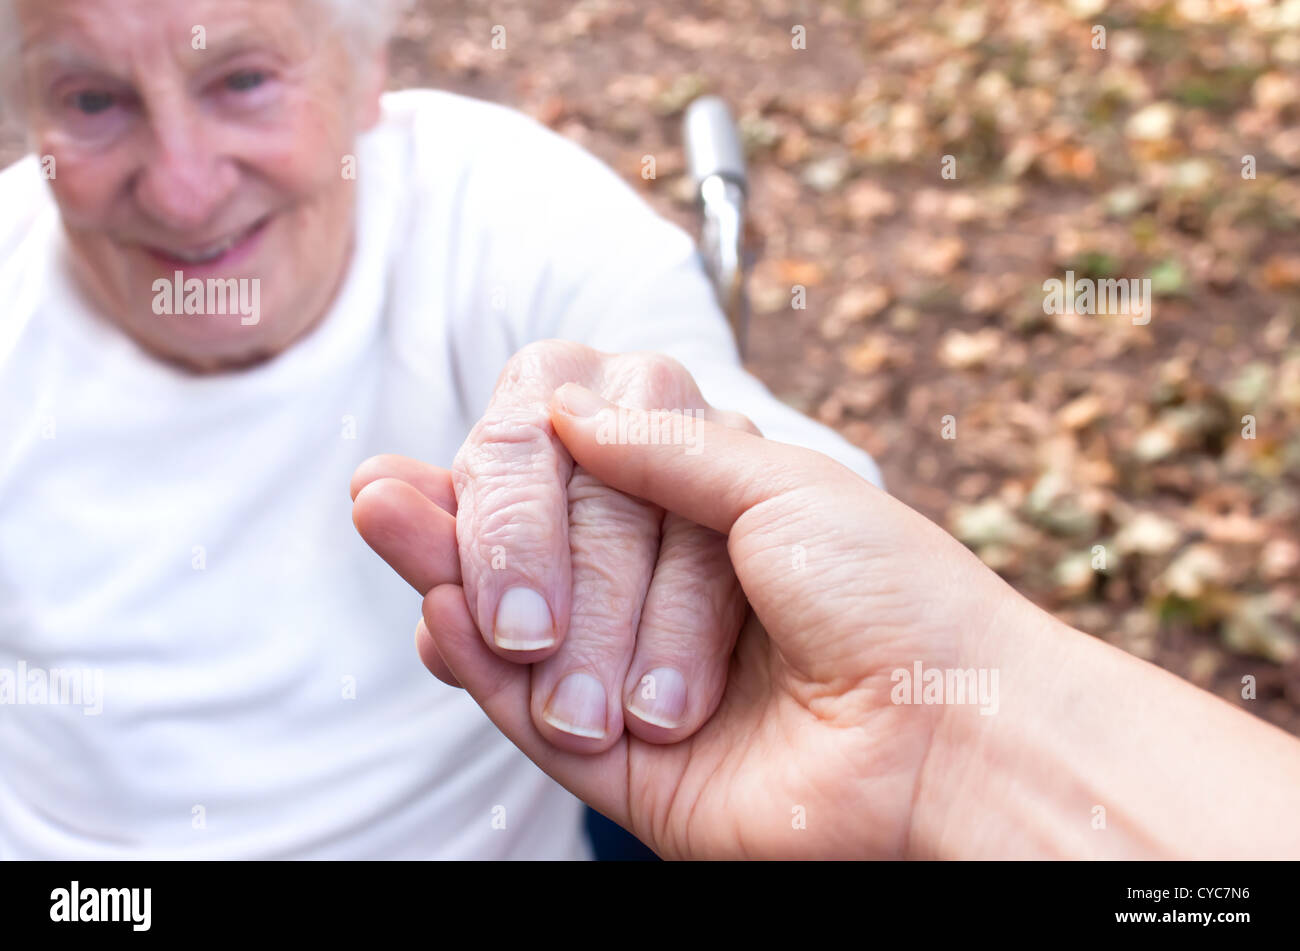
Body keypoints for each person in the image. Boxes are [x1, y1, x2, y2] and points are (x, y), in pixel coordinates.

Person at [0, 0, 881, 858]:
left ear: (364, 71)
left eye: (243, 80)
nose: (183, 191)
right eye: (91, 101)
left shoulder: (506, 214)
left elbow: (790, 468)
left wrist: (701, 476)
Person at [356, 385, 1300, 859]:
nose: (197, 187)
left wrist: (940, 736)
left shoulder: (483, 187)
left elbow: (681, 354)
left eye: (243, 80)